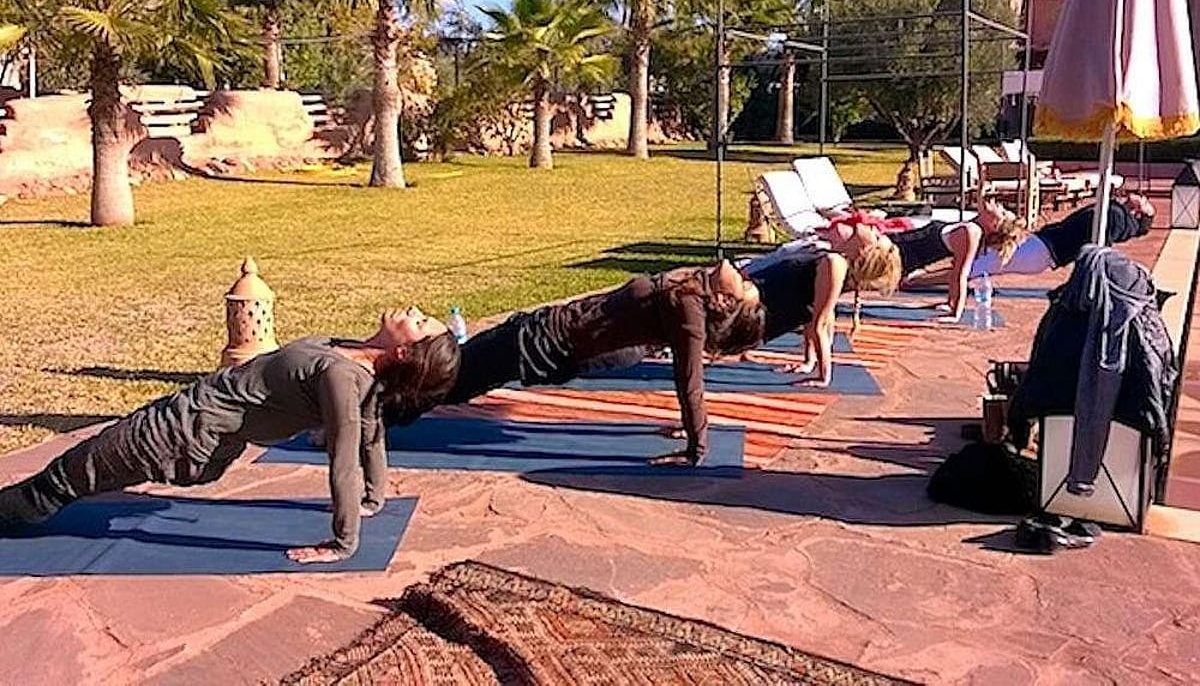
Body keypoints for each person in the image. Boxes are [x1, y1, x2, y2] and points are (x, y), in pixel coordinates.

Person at [0, 308, 461, 564]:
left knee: (58, 482)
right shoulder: (350, 353)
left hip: (180, 434)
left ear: (402, 351)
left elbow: (347, 455)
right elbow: (372, 426)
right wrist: (376, 498)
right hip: (184, 415)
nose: (414, 311)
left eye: (420, 323)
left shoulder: (343, 379)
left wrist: (344, 541)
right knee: (75, 478)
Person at [443, 261, 767, 467]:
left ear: (727, 302)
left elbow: (690, 383)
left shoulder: (690, 314)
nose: (742, 273)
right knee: (460, 367)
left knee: (454, 377)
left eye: (744, 282)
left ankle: (396, 407)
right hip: (543, 326)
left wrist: (696, 449)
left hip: (546, 345)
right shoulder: (696, 282)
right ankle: (403, 397)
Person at [738, 217, 904, 386]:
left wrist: (823, 376)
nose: (872, 228)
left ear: (863, 251)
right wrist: (808, 362)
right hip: (746, 303)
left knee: (723, 274)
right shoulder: (828, 255)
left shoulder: (834, 264)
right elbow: (810, 315)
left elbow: (820, 324)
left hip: (742, 312)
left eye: (876, 236)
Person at [887, 200, 1023, 321]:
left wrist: (955, 313)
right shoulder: (974, 225)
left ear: (994, 225)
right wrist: (949, 302)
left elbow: (960, 274)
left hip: (894, 255)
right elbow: (983, 199)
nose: (1000, 205)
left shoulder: (971, 233)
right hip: (896, 246)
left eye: (1003, 212)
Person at [966, 192, 1154, 278]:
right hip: (1042, 246)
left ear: (1138, 213)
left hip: (1042, 251)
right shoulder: (1115, 212)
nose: (1142, 196)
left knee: (971, 268)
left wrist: (1148, 216)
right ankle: (949, 275)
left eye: (1144, 201)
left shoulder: (1116, 218)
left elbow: (1102, 244)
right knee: (975, 263)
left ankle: (945, 279)